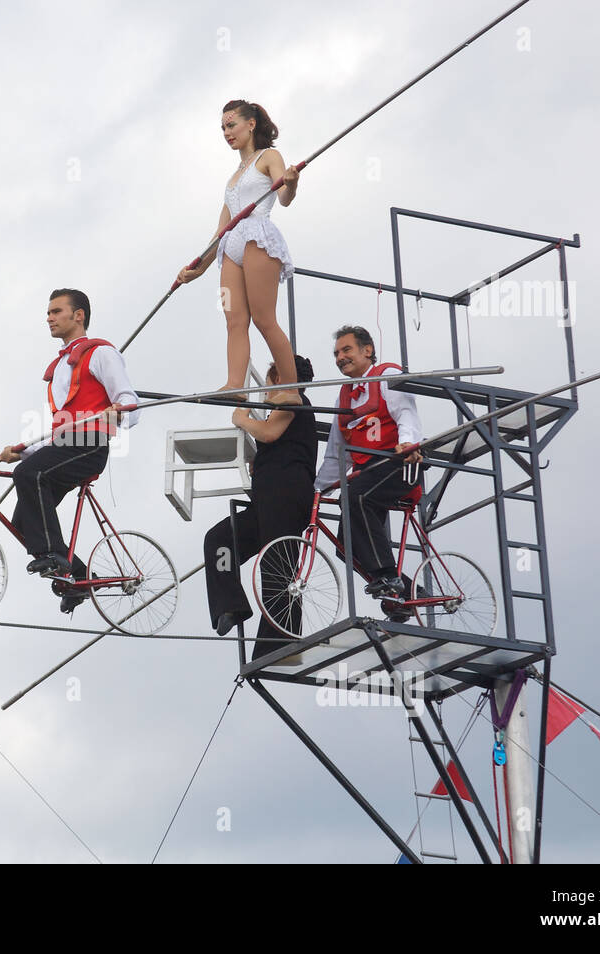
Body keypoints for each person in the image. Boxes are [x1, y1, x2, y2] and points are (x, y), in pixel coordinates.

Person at [0, 289, 141, 614]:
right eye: (48, 312)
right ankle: (77, 575)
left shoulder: (101, 353)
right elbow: (61, 429)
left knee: (28, 475)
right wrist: (22, 451)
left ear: (79, 316)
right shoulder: (59, 369)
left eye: (56, 311)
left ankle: (53, 556)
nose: (49, 317)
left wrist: (117, 411)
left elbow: (132, 404)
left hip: (90, 445)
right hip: (66, 445)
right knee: (22, 521)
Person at [177, 99, 302, 399]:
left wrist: (292, 183)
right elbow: (221, 230)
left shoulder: (269, 156)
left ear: (251, 123)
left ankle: (291, 387)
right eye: (222, 128)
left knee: (263, 318)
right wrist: (199, 268)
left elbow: (283, 197)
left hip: (257, 238)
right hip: (231, 246)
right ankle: (236, 385)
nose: (226, 132)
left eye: (231, 125)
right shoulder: (233, 176)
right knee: (234, 321)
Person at [203, 356, 318, 661]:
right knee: (220, 540)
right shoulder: (281, 410)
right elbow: (273, 438)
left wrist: (241, 418)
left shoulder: (295, 401)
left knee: (276, 567)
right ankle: (231, 605)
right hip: (266, 498)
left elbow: (267, 433)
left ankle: (282, 647)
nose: (266, 391)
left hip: (286, 494)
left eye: (269, 382)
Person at [313, 326, 424, 619]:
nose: (340, 357)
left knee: (356, 497)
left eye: (346, 350)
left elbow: (406, 414)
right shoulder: (345, 397)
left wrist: (408, 443)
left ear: (367, 350)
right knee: (344, 544)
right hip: (367, 473)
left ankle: (388, 575)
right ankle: (407, 594)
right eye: (336, 353)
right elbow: (337, 453)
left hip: (399, 465)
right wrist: (317, 489)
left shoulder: (387, 376)